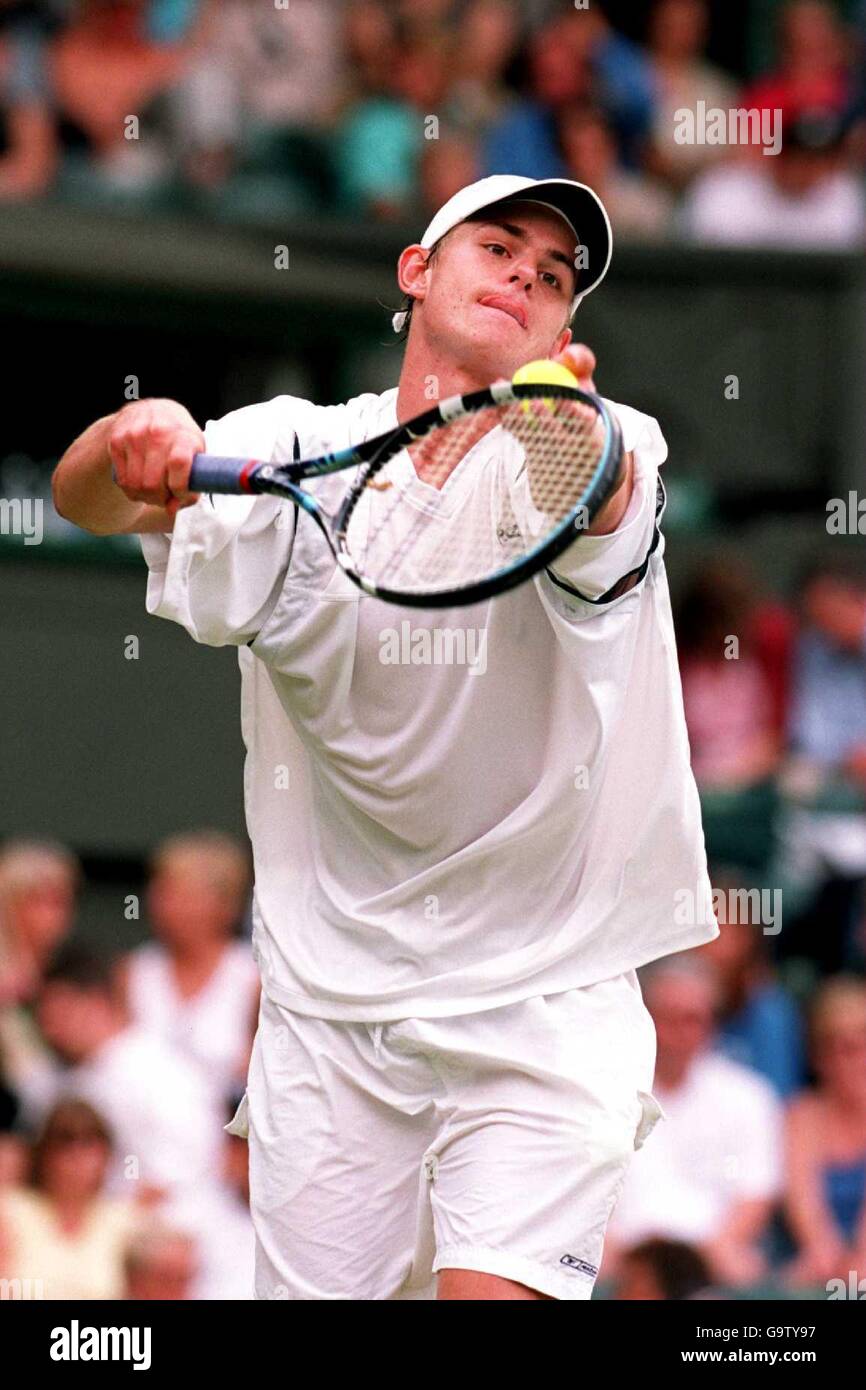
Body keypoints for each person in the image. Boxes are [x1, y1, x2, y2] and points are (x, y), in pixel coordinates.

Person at [52, 171, 718, 1301]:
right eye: (498, 248)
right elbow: (88, 503)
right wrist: (135, 437)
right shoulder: (288, 442)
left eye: (553, 278)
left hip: (541, 1006)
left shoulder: (599, 441)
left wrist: (563, 422)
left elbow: (593, 492)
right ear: (415, 271)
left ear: (564, 330)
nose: (525, 275)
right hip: (326, 1016)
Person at [604, 959, 784, 1289]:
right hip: (619, 1257)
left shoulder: (750, 1096)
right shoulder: (605, 1091)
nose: (678, 1033)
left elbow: (756, 1193)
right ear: (645, 1019)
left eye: (691, 1020)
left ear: (712, 1026)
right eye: (667, 1018)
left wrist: (704, 1255)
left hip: (712, 1258)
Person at [36, 946, 222, 1219]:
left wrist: (129, 1207)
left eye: (60, 1014)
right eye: (46, 1019)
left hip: (176, 1224)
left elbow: (190, 1157)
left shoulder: (155, 1065)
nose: (51, 1029)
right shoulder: (66, 1077)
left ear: (97, 1003)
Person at [117, 829, 258, 1109]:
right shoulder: (131, 972)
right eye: (159, 891)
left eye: (180, 894)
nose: (161, 904)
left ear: (224, 905)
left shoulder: (254, 978)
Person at [0, 1098, 141, 1300]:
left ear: (107, 1158)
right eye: (65, 1147)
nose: (76, 1160)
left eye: (88, 1147)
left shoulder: (128, 1221)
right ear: (43, 1155)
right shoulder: (10, 1210)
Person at [783, 977, 866, 1288]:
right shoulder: (801, 1116)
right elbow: (807, 1214)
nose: (855, 1060)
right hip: (815, 1260)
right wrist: (827, 1257)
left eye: (863, 1045)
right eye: (842, 1048)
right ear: (819, 1057)